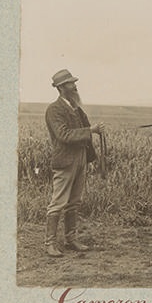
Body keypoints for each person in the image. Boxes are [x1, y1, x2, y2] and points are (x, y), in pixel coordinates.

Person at [44, 69, 105, 257]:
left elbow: (85, 128)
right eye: (71, 83)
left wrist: (94, 132)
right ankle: (50, 244)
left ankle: (71, 240)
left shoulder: (76, 108)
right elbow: (63, 135)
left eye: (74, 82)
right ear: (62, 88)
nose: (75, 85)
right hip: (65, 160)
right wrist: (90, 130)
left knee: (74, 202)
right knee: (58, 202)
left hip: (80, 159)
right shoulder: (54, 110)